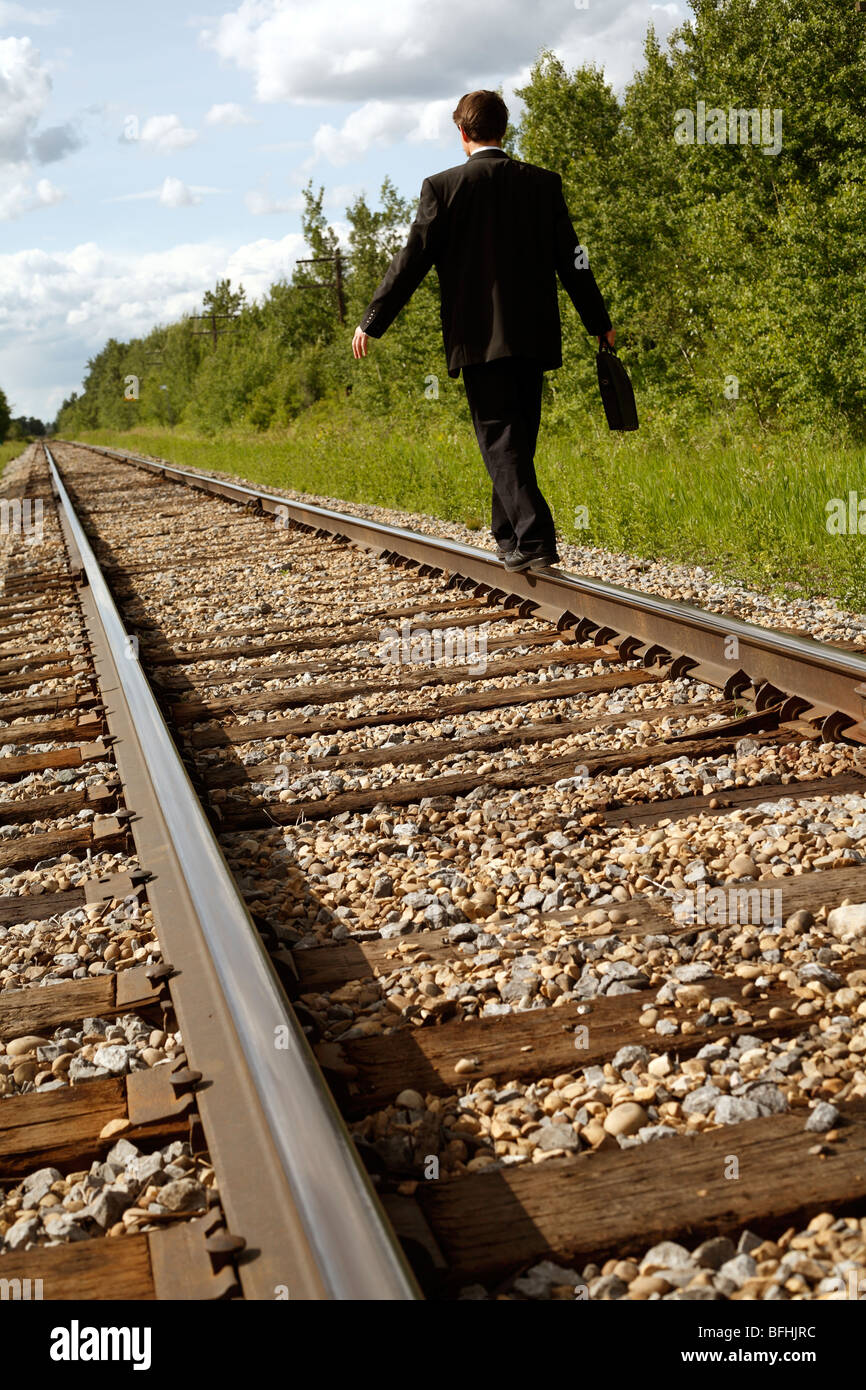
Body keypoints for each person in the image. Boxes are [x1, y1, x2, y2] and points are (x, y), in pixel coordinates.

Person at [352, 88, 615, 573]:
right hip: (533, 337)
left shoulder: (443, 187)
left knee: (500, 440)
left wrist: (374, 320)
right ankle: (508, 535)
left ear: (461, 132)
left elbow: (411, 261)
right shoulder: (542, 183)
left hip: (477, 341)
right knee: (518, 440)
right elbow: (574, 260)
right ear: (504, 128)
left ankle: (534, 538)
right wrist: (598, 321)